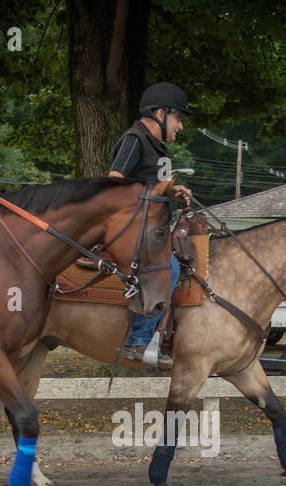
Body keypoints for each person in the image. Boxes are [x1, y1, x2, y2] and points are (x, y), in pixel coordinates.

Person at [108, 82, 194, 368]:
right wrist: (155, 193)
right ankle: (138, 342)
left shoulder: (160, 150)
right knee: (167, 268)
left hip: (154, 229)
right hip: (131, 227)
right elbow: (114, 183)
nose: (180, 126)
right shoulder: (134, 140)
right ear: (160, 113)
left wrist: (173, 191)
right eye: (178, 118)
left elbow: (158, 186)